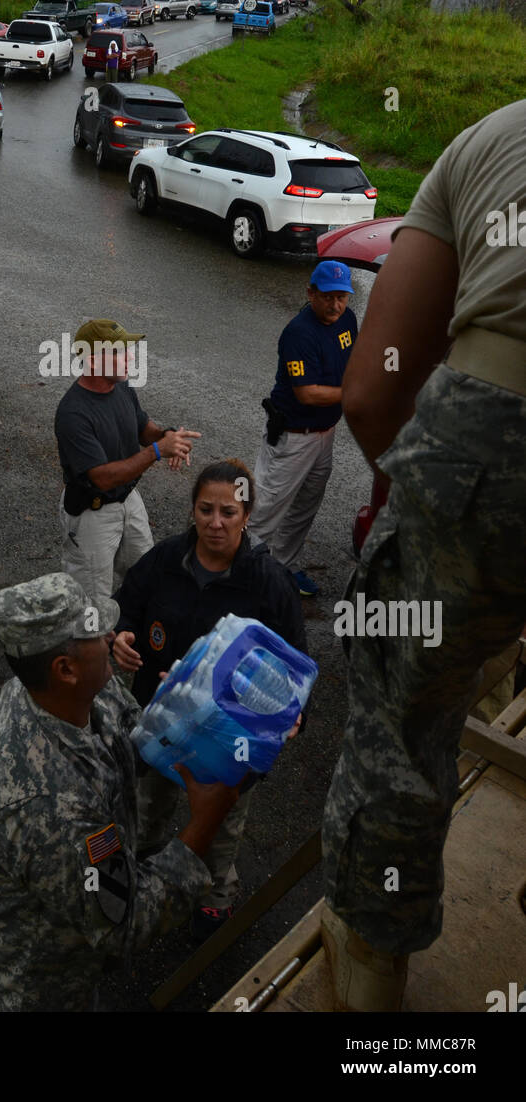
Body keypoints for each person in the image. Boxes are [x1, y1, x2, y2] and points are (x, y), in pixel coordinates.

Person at [320, 97, 526, 1011]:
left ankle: (372, 971)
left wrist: (431, 512)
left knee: (403, 726)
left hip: (491, 442)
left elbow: (370, 390)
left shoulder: (494, 138)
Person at [0, 572, 248, 1011]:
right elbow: (125, 924)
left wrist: (186, 706)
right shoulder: (48, 807)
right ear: (65, 668)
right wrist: (203, 825)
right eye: (95, 633)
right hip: (33, 991)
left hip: (69, 952)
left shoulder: (66, 689)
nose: (110, 635)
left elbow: (135, 737)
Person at [112, 459, 306, 939]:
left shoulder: (269, 582)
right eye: (205, 509)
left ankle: (216, 894)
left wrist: (293, 716)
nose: (215, 523)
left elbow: (296, 663)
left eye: (228, 512)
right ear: (192, 508)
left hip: (227, 739)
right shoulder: (165, 559)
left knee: (219, 822)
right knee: (148, 803)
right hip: (160, 722)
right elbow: (128, 603)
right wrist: (120, 636)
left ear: (246, 515)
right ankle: (145, 873)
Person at [54, 317, 200, 608]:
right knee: (92, 603)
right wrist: (157, 451)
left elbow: (143, 428)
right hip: (92, 512)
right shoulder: (73, 414)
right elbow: (102, 478)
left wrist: (167, 436)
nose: (130, 357)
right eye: (119, 352)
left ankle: (137, 640)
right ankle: (94, 649)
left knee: (149, 573)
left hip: (127, 499)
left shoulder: (121, 389)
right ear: (93, 362)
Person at [249, 260, 359, 596]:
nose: (336, 304)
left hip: (325, 435)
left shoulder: (348, 320)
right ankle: (242, 575)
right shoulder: (299, 333)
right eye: (328, 296)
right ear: (311, 292)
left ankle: (282, 568)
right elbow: (307, 393)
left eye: (342, 297)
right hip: (292, 438)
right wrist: (357, 393)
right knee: (264, 510)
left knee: (304, 507)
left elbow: (357, 357)